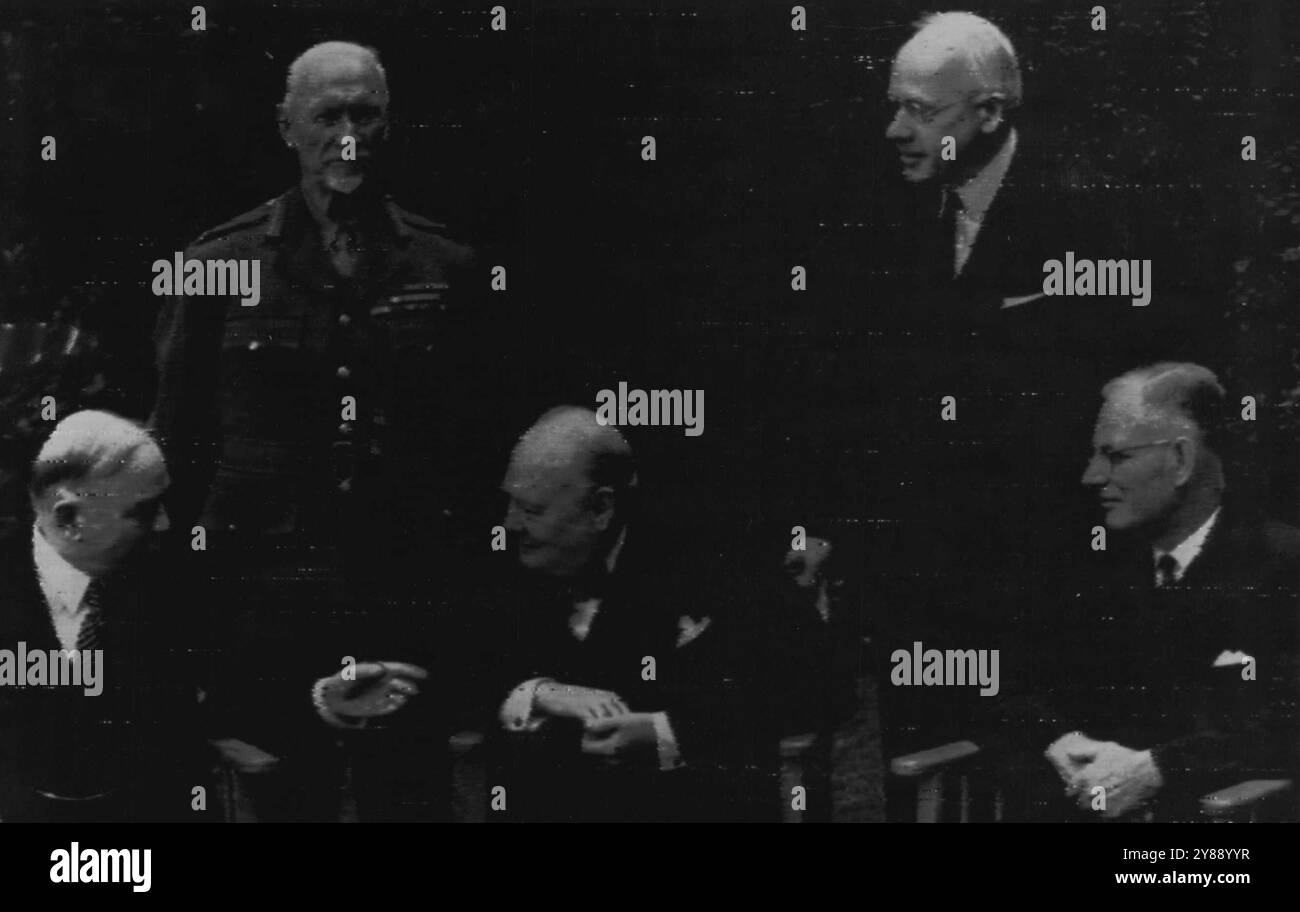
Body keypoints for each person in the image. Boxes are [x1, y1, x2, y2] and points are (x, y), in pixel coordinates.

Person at [151, 41, 491, 819]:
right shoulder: (216, 264)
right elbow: (175, 447)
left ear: (389, 124)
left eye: (363, 114)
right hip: (261, 596)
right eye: (326, 115)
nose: (346, 135)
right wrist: (184, 616)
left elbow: (473, 450)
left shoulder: (445, 265)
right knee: (282, 799)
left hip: (401, 588)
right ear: (286, 127)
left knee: (407, 797)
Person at [476, 406, 814, 821]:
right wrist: (540, 692)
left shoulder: (707, 556)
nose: (510, 524)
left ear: (601, 508)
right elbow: (455, 667)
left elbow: (814, 679)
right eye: (510, 503)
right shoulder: (513, 559)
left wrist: (664, 736)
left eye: (531, 511)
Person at [997, 363, 1300, 821]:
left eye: (1116, 456)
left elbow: (1287, 721)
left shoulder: (1281, 562)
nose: (1092, 476)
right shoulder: (1090, 565)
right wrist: (1058, 739)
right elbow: (1012, 679)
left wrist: (1160, 768)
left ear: (1181, 459)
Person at [0, 411, 208, 822]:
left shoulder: (167, 586)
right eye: (144, 510)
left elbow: (184, 748)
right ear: (69, 517)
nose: (164, 523)